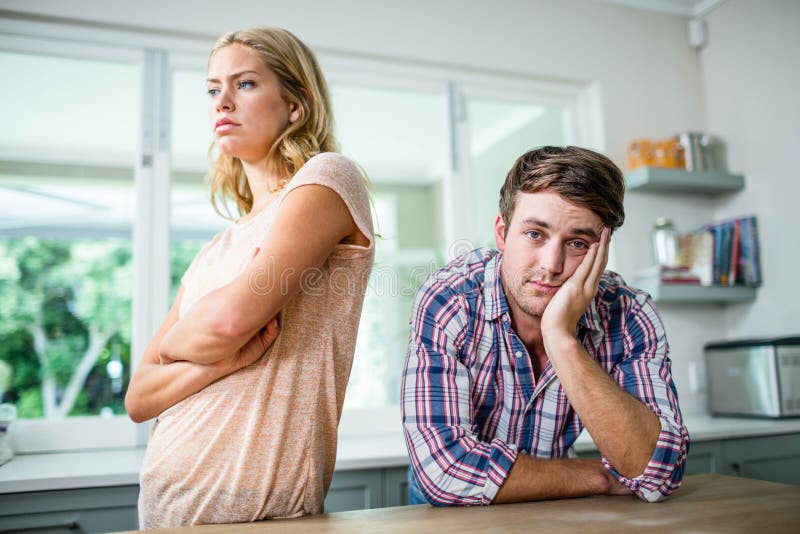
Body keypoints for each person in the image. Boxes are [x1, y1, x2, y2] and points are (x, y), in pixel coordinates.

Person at [124, 27, 374, 528]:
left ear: (296, 105)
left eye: (244, 85)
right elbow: (137, 398)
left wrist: (182, 345)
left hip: (261, 516)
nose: (222, 103)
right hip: (165, 511)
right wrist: (214, 366)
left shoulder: (327, 180)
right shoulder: (215, 250)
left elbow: (230, 321)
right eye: (214, 89)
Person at [401, 146, 688, 506]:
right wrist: (599, 476)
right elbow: (444, 473)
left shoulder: (629, 313)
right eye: (535, 234)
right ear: (502, 234)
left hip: (550, 503)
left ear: (603, 252)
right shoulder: (450, 299)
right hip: (449, 514)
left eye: (578, 243)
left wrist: (561, 338)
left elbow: (659, 474)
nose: (552, 265)